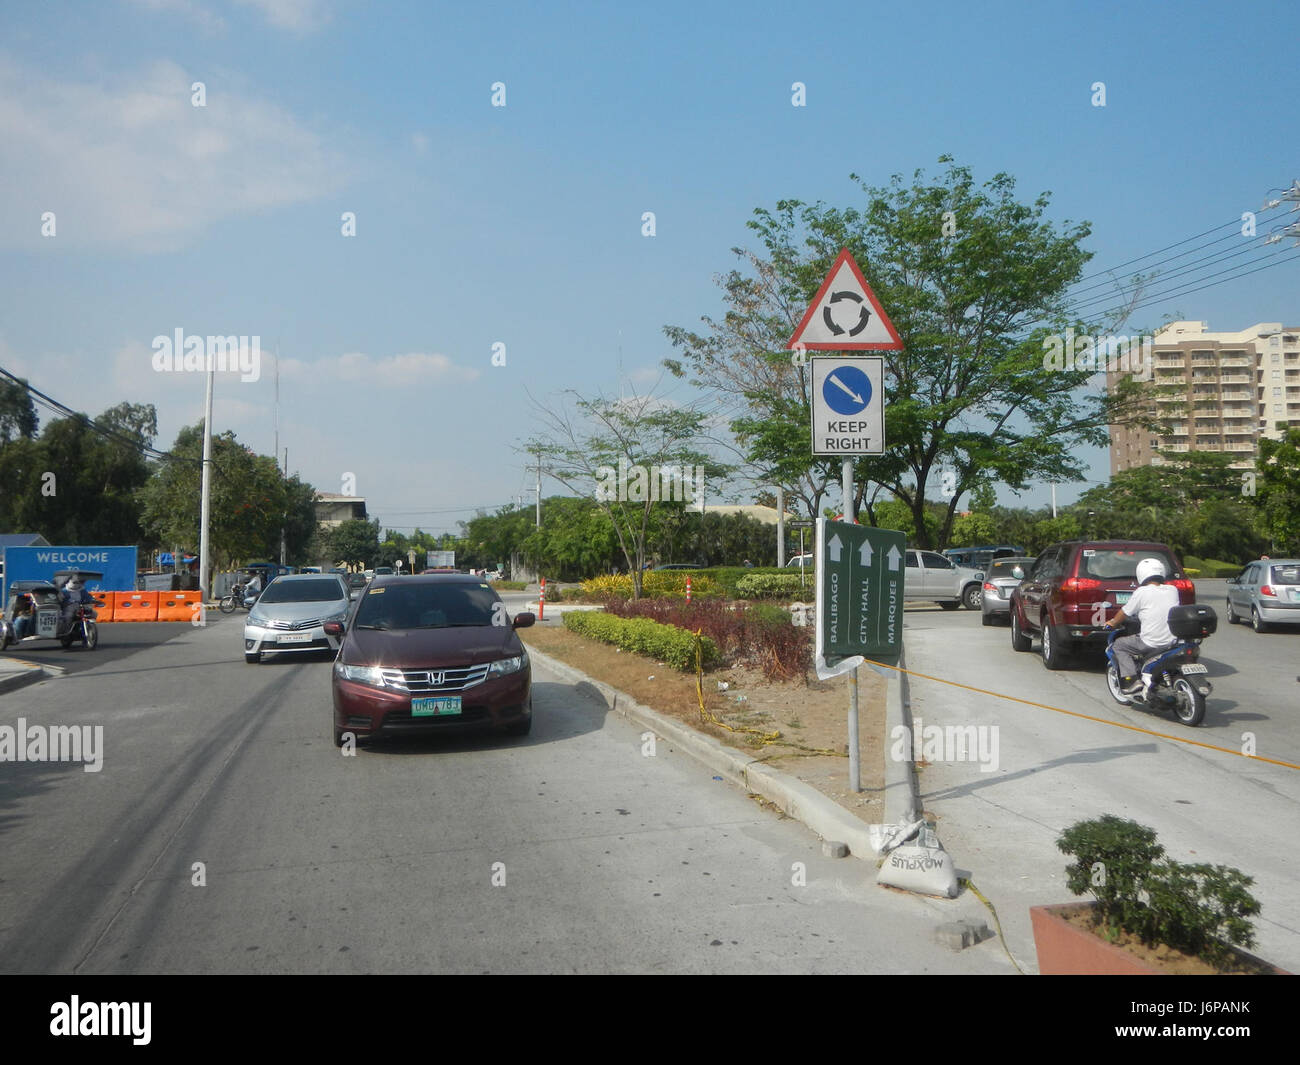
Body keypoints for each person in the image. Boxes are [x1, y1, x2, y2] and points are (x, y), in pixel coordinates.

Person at [1105, 557, 1180, 694]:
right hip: (1173, 641)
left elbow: (1125, 612)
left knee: (1119, 645)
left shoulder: (1142, 592)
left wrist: (1113, 623)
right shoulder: (1173, 590)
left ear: (1142, 574)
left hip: (1151, 643)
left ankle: (1132, 680)